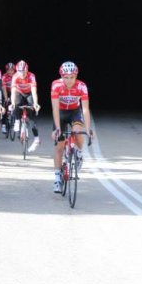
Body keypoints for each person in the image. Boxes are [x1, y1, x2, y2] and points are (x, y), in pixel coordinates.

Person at [50, 61, 95, 193]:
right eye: (66, 77)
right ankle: (57, 178)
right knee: (60, 145)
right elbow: (55, 108)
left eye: (72, 77)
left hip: (75, 112)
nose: (69, 80)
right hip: (61, 113)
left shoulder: (82, 86)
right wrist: (57, 128)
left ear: (76, 76)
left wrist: (87, 128)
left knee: (78, 133)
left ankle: (79, 153)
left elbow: (85, 109)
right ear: (62, 76)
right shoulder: (56, 85)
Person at [8, 60, 41, 152]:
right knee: (16, 105)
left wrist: (35, 103)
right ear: (17, 71)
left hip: (29, 93)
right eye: (20, 72)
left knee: (31, 114)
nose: (22, 74)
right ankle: (17, 121)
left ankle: (36, 138)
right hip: (19, 92)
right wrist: (13, 103)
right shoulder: (15, 77)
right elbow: (13, 92)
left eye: (24, 71)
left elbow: (34, 92)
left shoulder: (31, 76)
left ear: (27, 70)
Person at [1, 62, 15, 134]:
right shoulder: (4, 77)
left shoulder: (16, 76)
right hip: (6, 91)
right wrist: (6, 98)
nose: (10, 71)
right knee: (5, 106)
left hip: (14, 91)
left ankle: (16, 120)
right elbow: (3, 88)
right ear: (6, 71)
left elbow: (17, 88)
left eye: (12, 70)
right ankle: (3, 125)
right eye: (8, 70)